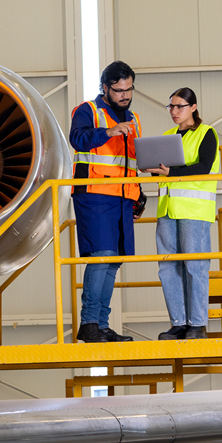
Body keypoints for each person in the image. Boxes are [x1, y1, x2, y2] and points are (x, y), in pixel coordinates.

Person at [69, 61, 146, 344]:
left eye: (129, 90)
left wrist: (139, 193)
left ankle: (101, 324)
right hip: (95, 194)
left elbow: (132, 160)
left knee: (113, 262)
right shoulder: (89, 110)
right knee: (101, 257)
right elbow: (76, 139)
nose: (124, 95)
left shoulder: (134, 118)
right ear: (105, 88)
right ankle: (89, 323)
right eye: (118, 90)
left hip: (124, 197)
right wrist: (108, 133)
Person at [143, 87, 219, 341]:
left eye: (180, 107)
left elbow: (204, 167)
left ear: (193, 107)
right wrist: (152, 168)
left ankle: (197, 324)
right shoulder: (167, 136)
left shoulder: (206, 134)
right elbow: (163, 172)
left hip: (194, 211)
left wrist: (170, 173)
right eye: (171, 107)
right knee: (167, 267)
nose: (174, 112)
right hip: (167, 210)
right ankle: (179, 322)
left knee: (195, 266)